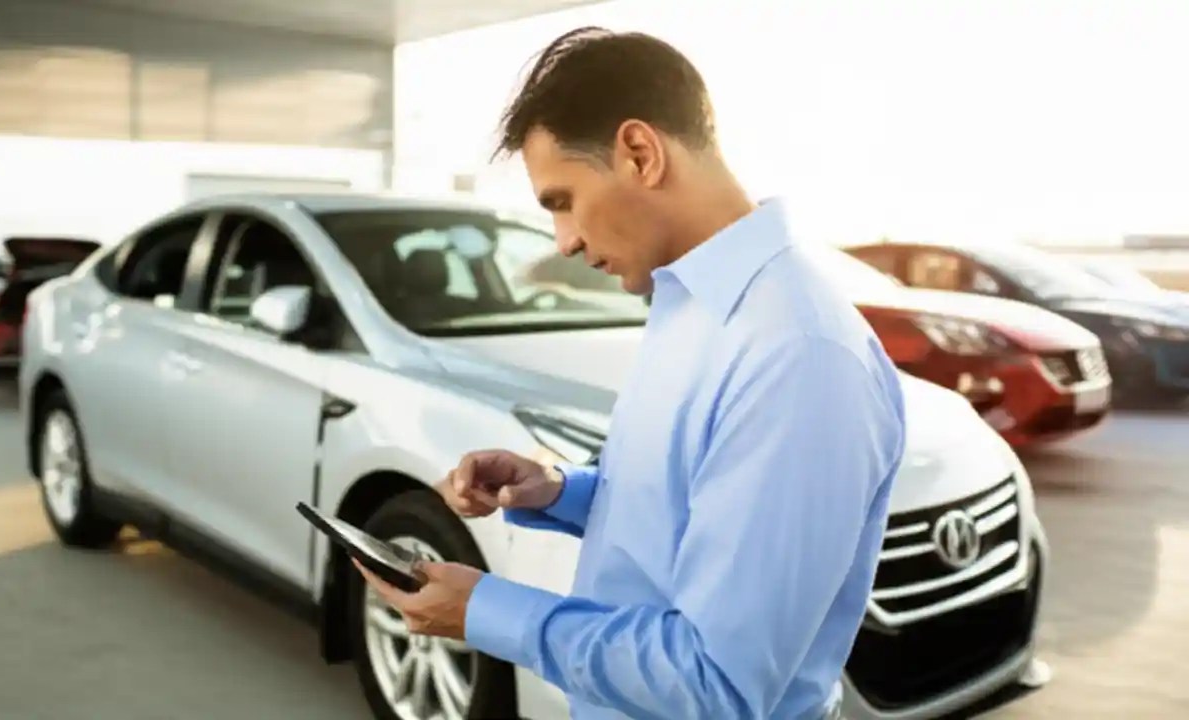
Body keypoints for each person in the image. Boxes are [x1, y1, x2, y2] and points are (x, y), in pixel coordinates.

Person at [354, 26, 906, 720]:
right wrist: (560, 492)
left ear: (640, 153)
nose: (564, 241)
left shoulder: (798, 354)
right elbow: (693, 507)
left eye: (562, 200)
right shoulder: (688, 304)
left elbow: (716, 683)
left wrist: (485, 611)